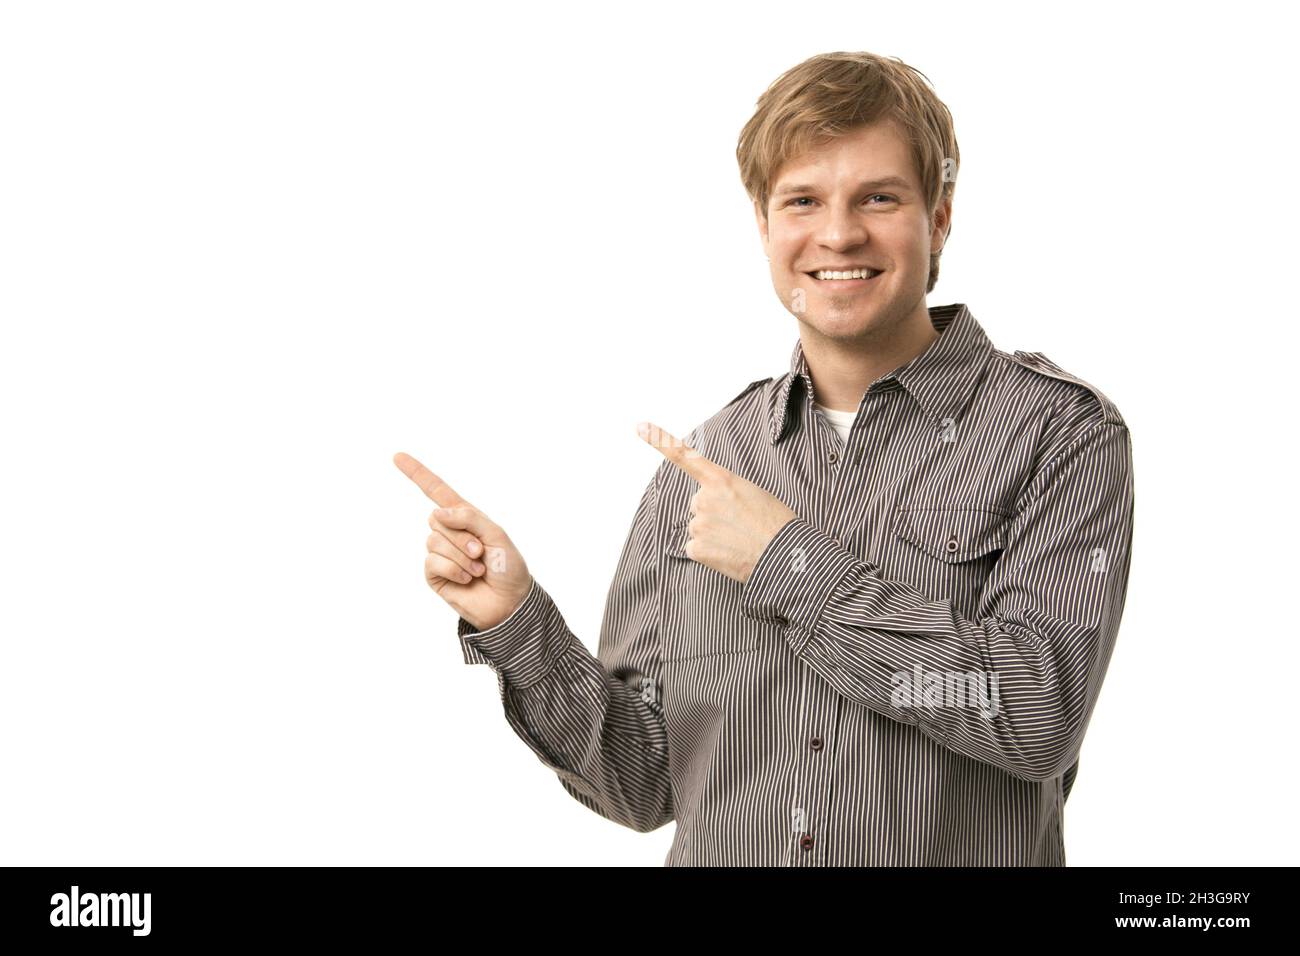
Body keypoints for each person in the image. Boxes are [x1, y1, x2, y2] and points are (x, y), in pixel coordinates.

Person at [394, 50, 1134, 866]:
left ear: (941, 215)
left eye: (878, 198)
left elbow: (1032, 712)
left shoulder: (1058, 434)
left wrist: (788, 564)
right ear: (764, 224)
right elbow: (642, 780)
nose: (839, 233)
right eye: (804, 201)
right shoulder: (705, 463)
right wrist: (516, 620)